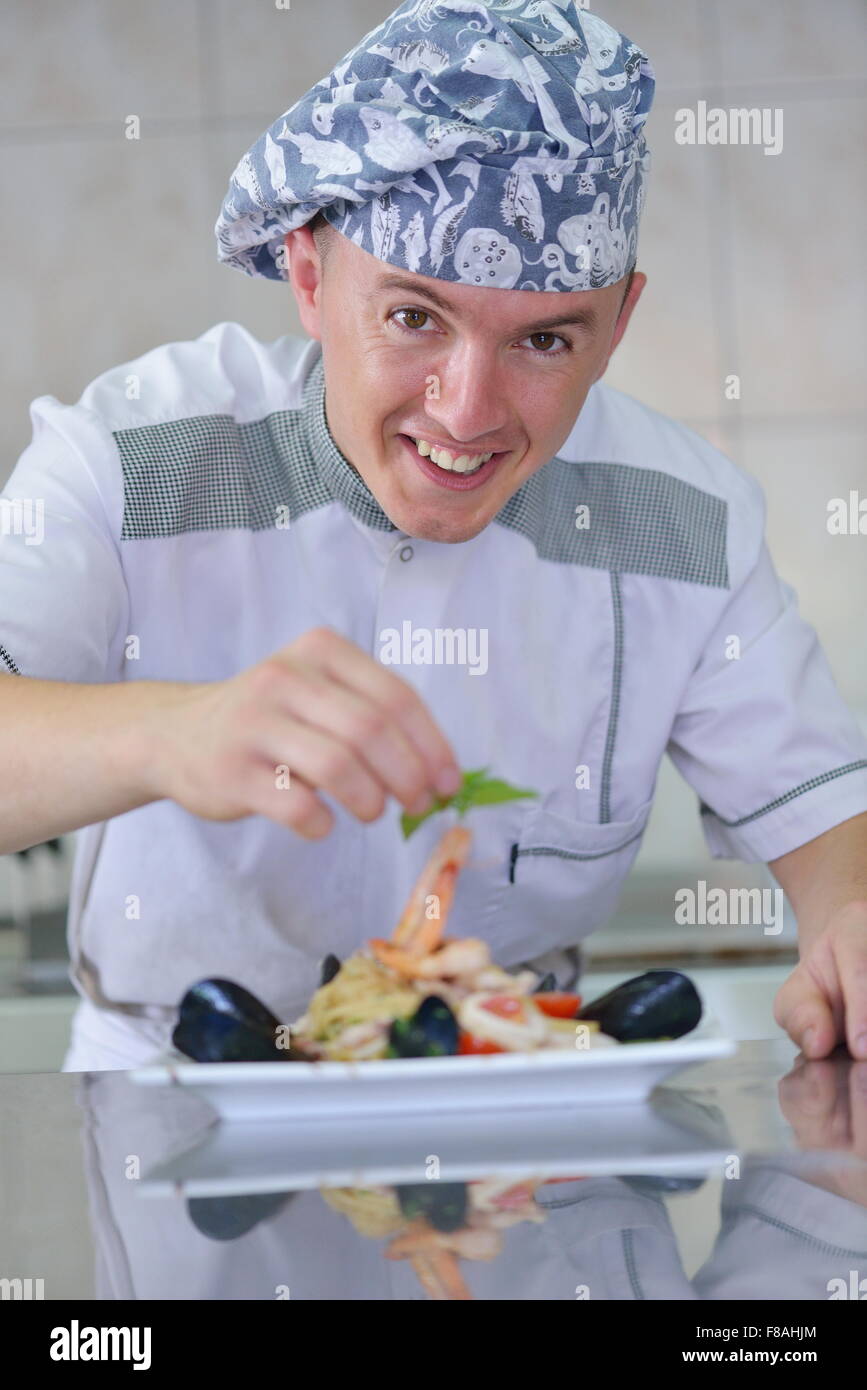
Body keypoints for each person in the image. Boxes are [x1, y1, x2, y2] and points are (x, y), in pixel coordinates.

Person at [1, 1, 865, 1072]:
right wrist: (164, 734)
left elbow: (827, 817)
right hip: (182, 1126)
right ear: (310, 278)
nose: (467, 412)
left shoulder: (684, 519)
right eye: (415, 318)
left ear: (618, 326)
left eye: (545, 339)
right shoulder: (132, 457)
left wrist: (850, 922)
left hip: (525, 1122)